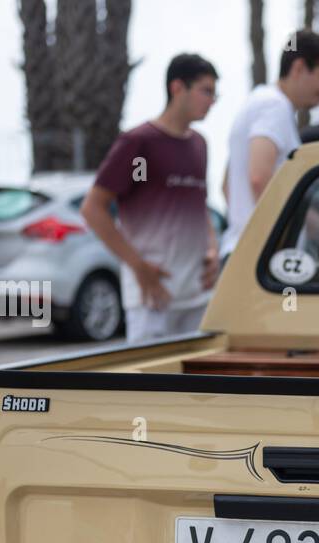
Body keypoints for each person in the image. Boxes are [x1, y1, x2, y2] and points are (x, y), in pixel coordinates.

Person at [82, 53, 219, 343]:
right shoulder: (138, 142)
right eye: (206, 90)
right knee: (151, 388)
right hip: (152, 298)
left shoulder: (199, 145)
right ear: (177, 88)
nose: (213, 100)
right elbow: (93, 208)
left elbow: (198, 204)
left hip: (196, 296)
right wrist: (138, 267)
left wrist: (213, 249)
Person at [221, 30, 319, 255]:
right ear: (298, 68)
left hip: (244, 254)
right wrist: (280, 245)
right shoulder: (274, 107)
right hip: (259, 259)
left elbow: (227, 186)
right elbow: (259, 178)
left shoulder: (259, 101)